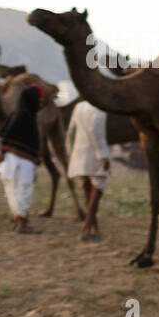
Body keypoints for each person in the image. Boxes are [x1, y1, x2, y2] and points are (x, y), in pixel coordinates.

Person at [0, 84, 46, 233]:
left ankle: (20, 221)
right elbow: (6, 137)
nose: (40, 103)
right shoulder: (23, 117)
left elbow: (4, 135)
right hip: (19, 162)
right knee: (23, 191)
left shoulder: (22, 115)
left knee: (15, 191)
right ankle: (22, 223)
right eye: (38, 100)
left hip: (14, 162)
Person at [66, 100, 111, 241]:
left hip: (79, 154)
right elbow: (96, 132)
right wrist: (102, 155)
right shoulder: (99, 109)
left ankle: (94, 229)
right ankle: (87, 227)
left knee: (87, 192)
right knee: (97, 192)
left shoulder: (79, 107)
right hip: (93, 155)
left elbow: (71, 131)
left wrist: (70, 151)